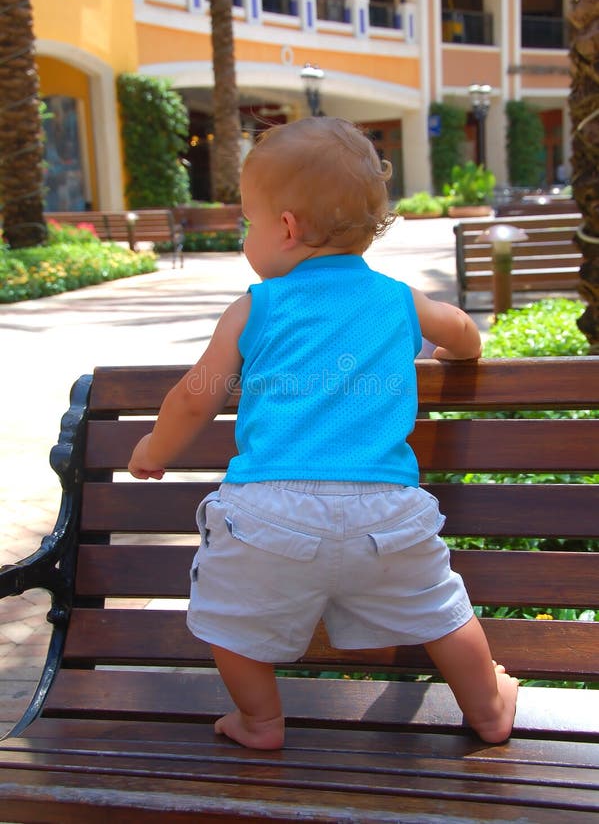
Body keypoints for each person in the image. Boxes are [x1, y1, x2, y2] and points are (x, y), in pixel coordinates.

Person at [128, 117, 518, 751]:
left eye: (247, 223)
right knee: (442, 611)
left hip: (267, 513)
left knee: (227, 617)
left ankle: (260, 719)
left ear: (285, 227)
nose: (246, 239)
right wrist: (460, 351)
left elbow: (194, 400)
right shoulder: (397, 299)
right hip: (387, 513)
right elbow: (462, 332)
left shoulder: (257, 307)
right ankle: (489, 707)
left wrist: (152, 450)